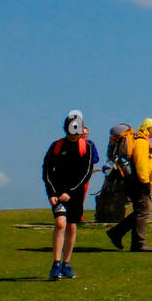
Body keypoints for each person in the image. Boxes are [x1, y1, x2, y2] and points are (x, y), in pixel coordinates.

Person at [42, 111, 97, 279]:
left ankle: (66, 263)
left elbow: (86, 173)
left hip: (76, 193)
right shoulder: (56, 146)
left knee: (71, 227)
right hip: (58, 192)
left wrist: (71, 192)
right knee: (60, 224)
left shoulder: (87, 147)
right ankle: (56, 263)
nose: (74, 136)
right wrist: (51, 192)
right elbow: (46, 169)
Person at [108, 119, 152, 252]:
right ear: (148, 128)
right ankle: (138, 243)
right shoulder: (142, 142)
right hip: (139, 182)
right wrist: (145, 182)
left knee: (140, 211)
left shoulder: (139, 140)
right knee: (143, 211)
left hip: (134, 182)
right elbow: (141, 164)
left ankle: (117, 233)